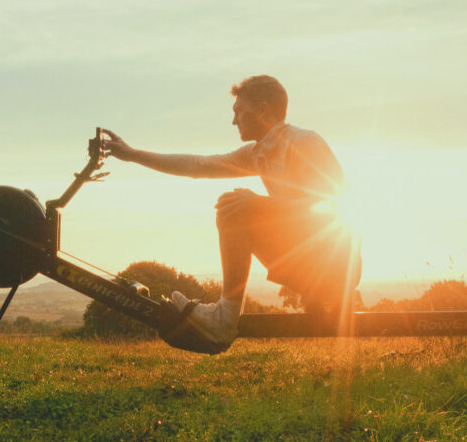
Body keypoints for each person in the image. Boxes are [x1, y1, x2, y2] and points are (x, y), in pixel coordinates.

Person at [100, 75, 359, 350]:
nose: (234, 121)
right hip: (307, 264)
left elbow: (332, 208)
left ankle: (225, 318)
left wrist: (259, 203)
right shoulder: (259, 153)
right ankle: (229, 313)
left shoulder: (304, 144)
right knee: (237, 206)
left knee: (235, 208)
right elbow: (198, 166)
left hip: (337, 267)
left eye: (239, 111)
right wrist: (132, 154)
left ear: (262, 109)